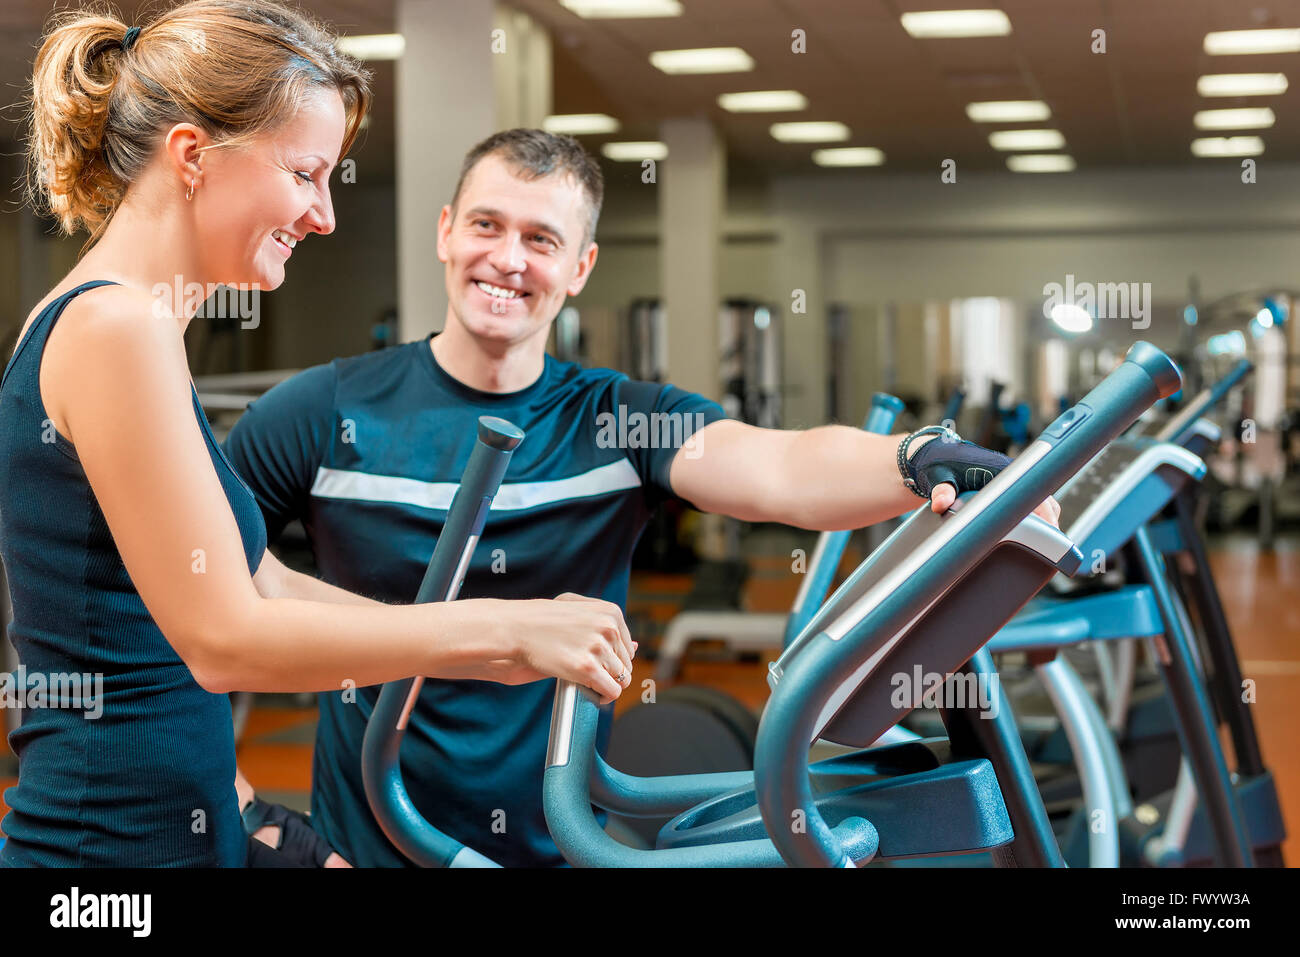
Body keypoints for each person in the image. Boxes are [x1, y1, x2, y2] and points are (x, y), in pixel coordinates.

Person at [224, 127, 1061, 867]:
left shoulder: (619, 420)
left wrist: (915, 458)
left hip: (562, 844)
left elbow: (780, 467)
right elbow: (180, 600)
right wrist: (251, 816)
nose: (509, 258)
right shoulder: (322, 411)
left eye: (541, 238)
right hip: (362, 845)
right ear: (446, 232)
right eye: (487, 224)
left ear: (581, 266)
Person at [0, 1, 635, 869]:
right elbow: (225, 639)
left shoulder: (138, 329)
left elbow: (259, 583)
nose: (324, 213)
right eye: (305, 173)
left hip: (188, 827)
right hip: (110, 861)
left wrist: (493, 648)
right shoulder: (115, 330)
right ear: (192, 157)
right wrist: (505, 630)